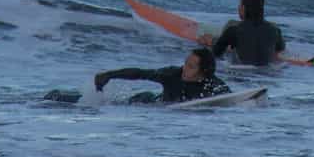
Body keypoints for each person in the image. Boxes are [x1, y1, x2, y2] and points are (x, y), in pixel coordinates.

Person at [93, 46, 230, 103]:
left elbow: (229, 96)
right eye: (185, 63)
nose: (184, 69)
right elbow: (140, 73)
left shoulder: (212, 82)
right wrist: (109, 75)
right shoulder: (172, 74)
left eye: (191, 66)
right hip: (147, 101)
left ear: (203, 71)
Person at [210, 0, 288, 66]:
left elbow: (216, 54)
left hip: (242, 73)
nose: (238, 7)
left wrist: (213, 42)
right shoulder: (275, 31)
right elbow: (280, 49)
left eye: (240, 4)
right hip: (267, 75)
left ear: (244, 8)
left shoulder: (234, 30)